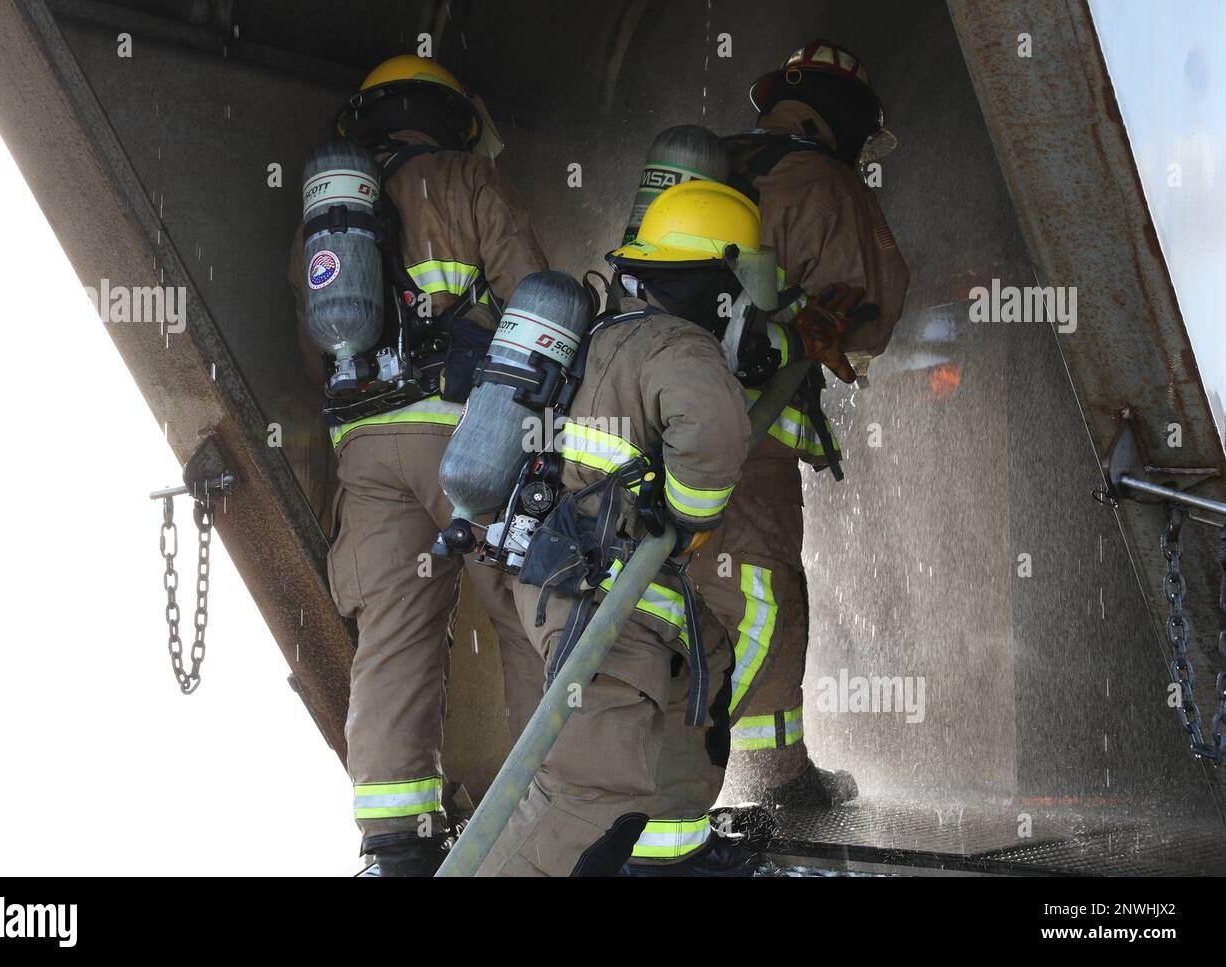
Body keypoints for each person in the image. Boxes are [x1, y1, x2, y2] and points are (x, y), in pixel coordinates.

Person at [287, 54, 548, 876]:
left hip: (363, 456)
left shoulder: (322, 225)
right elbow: (535, 299)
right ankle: (554, 812)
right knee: (529, 610)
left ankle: (396, 843)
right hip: (468, 432)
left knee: (394, 637)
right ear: (452, 117)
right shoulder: (469, 179)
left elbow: (311, 351)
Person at [477, 181, 767, 876]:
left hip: (583, 584)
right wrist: (693, 516)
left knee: (677, 722)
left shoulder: (612, 335)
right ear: (714, 279)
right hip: (600, 597)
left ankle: (670, 864)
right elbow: (710, 423)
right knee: (587, 793)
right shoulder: (681, 344)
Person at [713, 38, 910, 815]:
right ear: (851, 123)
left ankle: (665, 774)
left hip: (651, 426)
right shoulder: (821, 182)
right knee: (766, 590)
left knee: (679, 594)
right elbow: (875, 315)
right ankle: (775, 778)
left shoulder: (719, 170)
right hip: (745, 439)